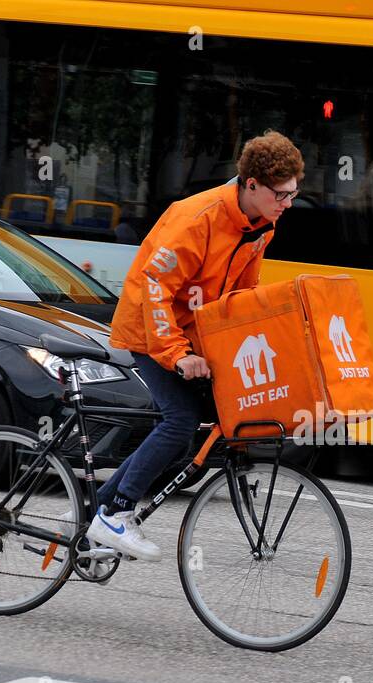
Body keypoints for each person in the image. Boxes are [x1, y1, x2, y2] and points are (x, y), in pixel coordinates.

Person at [86, 130, 304, 561]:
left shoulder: (262, 225)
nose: (289, 204)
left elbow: (241, 295)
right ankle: (115, 514)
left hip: (188, 333)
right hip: (150, 328)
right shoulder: (198, 218)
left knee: (190, 437)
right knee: (179, 420)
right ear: (252, 185)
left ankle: (101, 512)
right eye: (282, 194)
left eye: (295, 193)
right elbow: (155, 288)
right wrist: (177, 355)